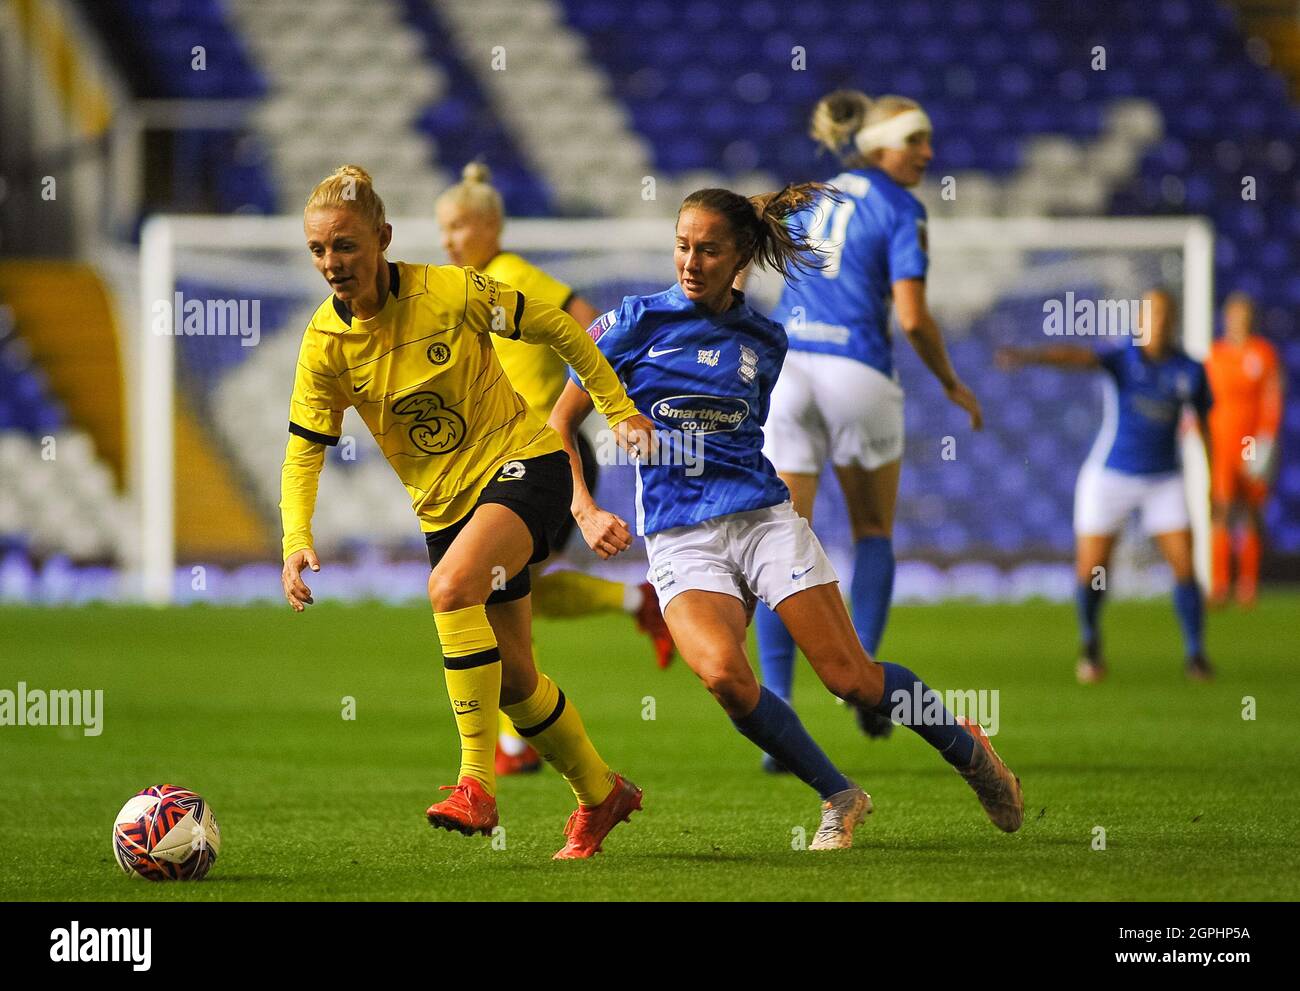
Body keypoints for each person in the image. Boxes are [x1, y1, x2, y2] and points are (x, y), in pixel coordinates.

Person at [548, 185, 1023, 850]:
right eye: (683, 245)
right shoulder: (627, 325)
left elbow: (741, 431)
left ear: (739, 255)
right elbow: (559, 423)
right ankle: (840, 794)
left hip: (762, 521)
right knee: (723, 678)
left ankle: (967, 749)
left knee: (851, 678)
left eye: (709, 249)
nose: (690, 261)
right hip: (679, 536)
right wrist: (585, 505)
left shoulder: (766, 339)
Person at [280, 165, 656, 859]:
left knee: (449, 588)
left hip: (525, 466)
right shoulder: (324, 345)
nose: (332, 263)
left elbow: (567, 330)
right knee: (515, 681)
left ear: (383, 238)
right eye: (319, 250)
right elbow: (305, 450)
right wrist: (295, 536)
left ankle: (475, 785)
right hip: (443, 509)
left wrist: (617, 407)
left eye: (346, 246)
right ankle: (603, 795)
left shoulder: (451, 289)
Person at [752, 90, 983, 755]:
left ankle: (778, 719)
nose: (928, 154)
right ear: (885, 144)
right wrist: (950, 382)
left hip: (789, 371)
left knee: (779, 538)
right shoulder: (902, 208)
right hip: (857, 372)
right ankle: (867, 685)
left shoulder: (808, 196)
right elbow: (911, 317)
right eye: (918, 142)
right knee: (873, 530)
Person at [436, 163, 676, 778]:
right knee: (507, 591)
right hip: (506, 458)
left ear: (491, 225)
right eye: (445, 230)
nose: (449, 241)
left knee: (495, 590)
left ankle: (518, 746)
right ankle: (633, 600)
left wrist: (572, 400)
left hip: (546, 456)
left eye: (459, 227)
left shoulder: (511, 275)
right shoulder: (467, 286)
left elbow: (590, 319)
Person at [997, 288, 1214, 682]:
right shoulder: (1123, 358)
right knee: (1093, 569)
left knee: (1185, 565)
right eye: (1152, 314)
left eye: (1166, 314)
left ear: (1175, 321)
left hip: (1164, 478)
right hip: (1110, 476)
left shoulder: (1190, 371)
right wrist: (1029, 355)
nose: (1159, 322)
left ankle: (1196, 654)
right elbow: (1077, 357)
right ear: (1140, 321)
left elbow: (1205, 426)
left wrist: (1211, 481)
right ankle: (1091, 640)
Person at [1205, 292, 1284, 607]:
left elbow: (1272, 396)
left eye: (1244, 315)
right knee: (1221, 508)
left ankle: (1248, 585)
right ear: (1226, 318)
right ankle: (1220, 584)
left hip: (1250, 442)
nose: (1239, 321)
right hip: (1221, 439)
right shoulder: (1215, 354)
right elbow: (1204, 398)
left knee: (1249, 510)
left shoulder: (1263, 353)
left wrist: (1267, 436)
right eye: (1234, 314)